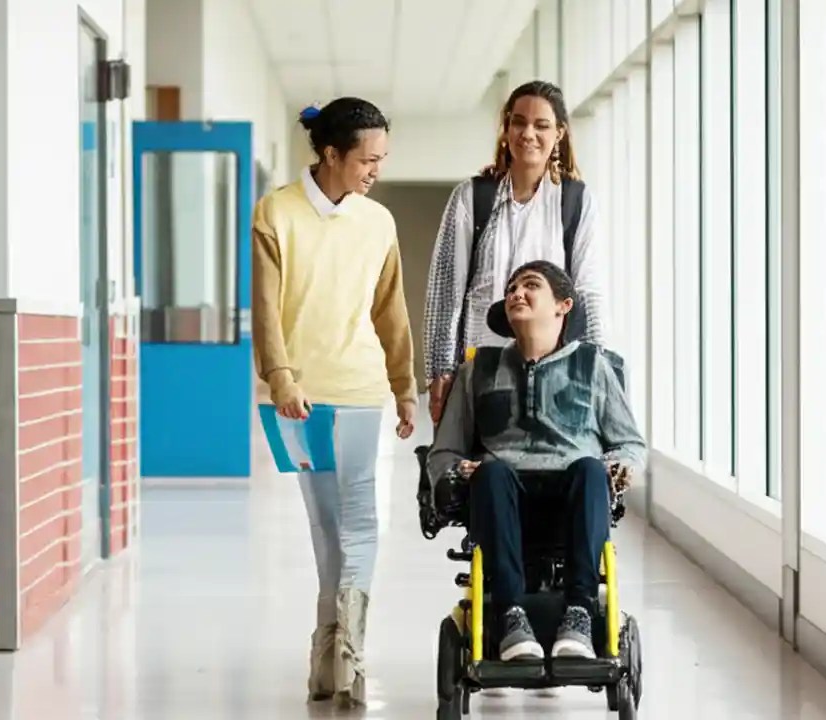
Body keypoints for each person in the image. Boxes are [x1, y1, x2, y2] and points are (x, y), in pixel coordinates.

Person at [251, 97, 418, 707]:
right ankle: (331, 646)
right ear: (330, 154)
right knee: (326, 526)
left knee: (361, 519)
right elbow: (265, 309)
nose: (375, 171)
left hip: (359, 389)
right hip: (297, 398)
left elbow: (390, 310)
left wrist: (404, 386)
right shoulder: (277, 213)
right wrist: (281, 377)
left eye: (381, 159)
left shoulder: (378, 223)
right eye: (366, 160)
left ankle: (345, 651)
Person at [426, 260, 646, 661]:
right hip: (503, 496)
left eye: (530, 285)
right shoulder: (478, 371)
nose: (516, 293)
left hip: (573, 494)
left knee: (589, 468)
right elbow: (444, 452)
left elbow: (629, 443)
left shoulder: (594, 366)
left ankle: (579, 613)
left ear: (563, 305)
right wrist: (459, 471)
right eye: (511, 288)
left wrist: (620, 466)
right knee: (492, 472)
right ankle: (511, 616)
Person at [423, 80, 611, 424]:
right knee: (478, 470)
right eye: (519, 122)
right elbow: (446, 294)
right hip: (479, 367)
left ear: (559, 134)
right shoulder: (471, 198)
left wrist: (598, 368)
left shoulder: (576, 202)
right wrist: (440, 371)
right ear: (506, 127)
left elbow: (588, 292)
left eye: (541, 125)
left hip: (554, 369)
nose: (528, 133)